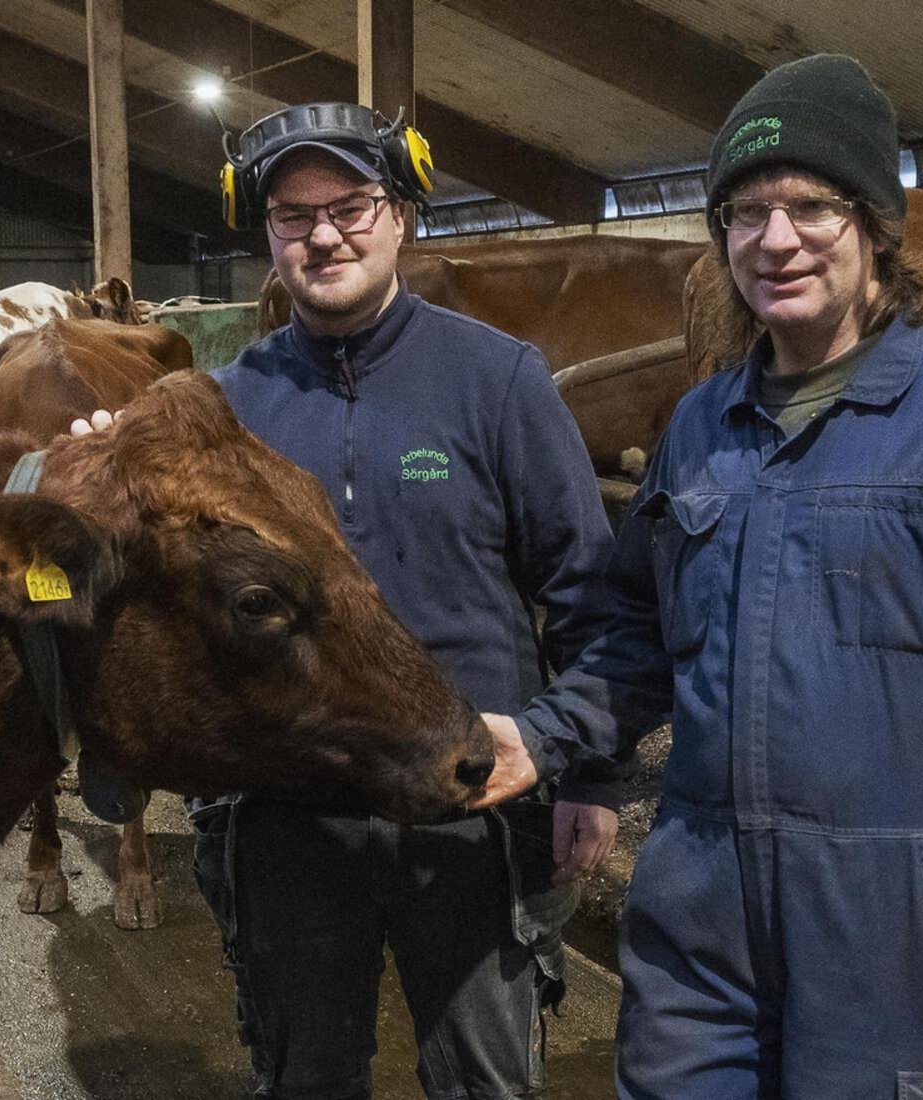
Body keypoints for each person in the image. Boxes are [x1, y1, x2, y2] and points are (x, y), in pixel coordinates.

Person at [486, 55, 923, 1099]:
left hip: (896, 923)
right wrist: (547, 736)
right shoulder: (701, 424)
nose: (774, 240)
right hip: (700, 904)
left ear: (874, 226)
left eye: (810, 207)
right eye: (743, 213)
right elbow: (635, 630)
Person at [195, 101, 629, 1100]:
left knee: (482, 1076)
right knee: (305, 1073)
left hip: (473, 802)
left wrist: (589, 771)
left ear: (401, 214)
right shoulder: (228, 406)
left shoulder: (497, 379)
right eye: (291, 214)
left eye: (349, 203)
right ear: (264, 232)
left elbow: (586, 590)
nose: (322, 233)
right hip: (293, 813)